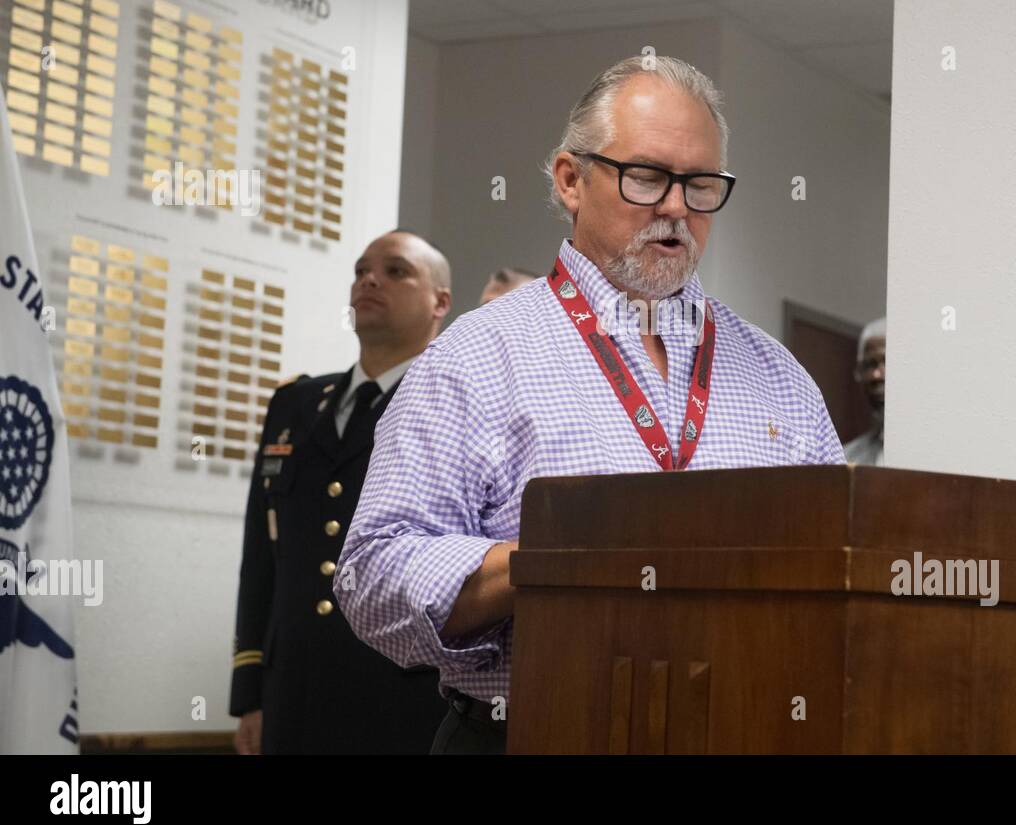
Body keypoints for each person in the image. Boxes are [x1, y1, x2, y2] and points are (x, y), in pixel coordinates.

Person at [335, 56, 845, 754]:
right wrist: (558, 558)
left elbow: (839, 569)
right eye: (646, 176)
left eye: (700, 185)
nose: (675, 208)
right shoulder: (478, 356)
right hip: (532, 735)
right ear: (570, 180)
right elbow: (373, 574)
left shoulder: (778, 375)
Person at [229, 229, 452, 754]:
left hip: (401, 698)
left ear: (440, 301)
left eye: (397, 271)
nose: (370, 280)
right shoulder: (295, 405)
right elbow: (261, 557)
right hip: (292, 693)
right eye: (361, 270)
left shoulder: (451, 403)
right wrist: (249, 694)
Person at [844, 317, 885, 465]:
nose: (876, 375)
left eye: (886, 361)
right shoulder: (847, 457)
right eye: (870, 365)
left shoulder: (931, 451)